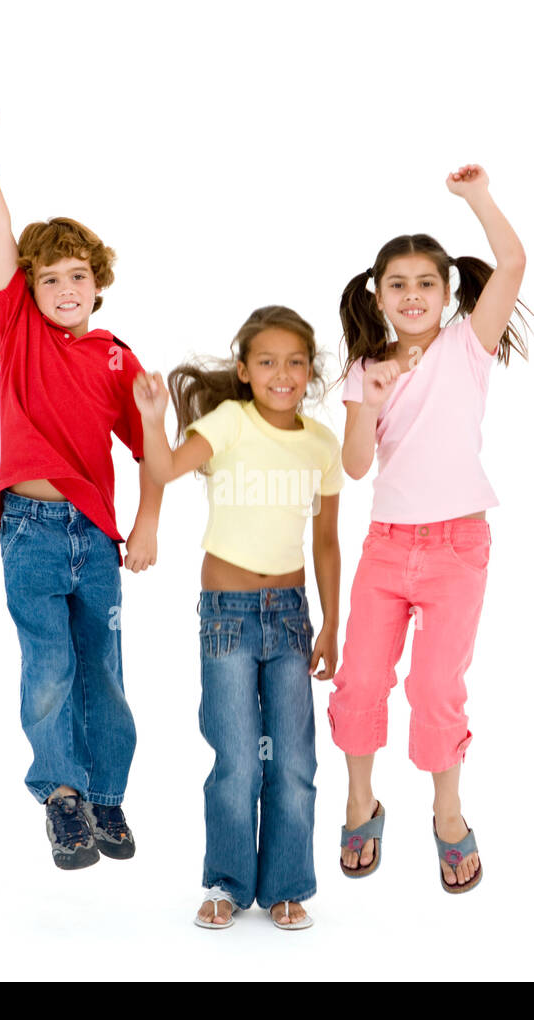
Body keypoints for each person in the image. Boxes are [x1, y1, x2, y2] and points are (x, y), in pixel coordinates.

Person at [0, 100, 162, 869]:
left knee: (103, 669)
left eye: (79, 276)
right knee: (47, 664)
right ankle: (62, 796)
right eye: (51, 278)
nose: (66, 288)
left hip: (98, 538)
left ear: (97, 283)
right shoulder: (19, 331)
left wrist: (146, 525)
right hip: (29, 530)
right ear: (32, 287)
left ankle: (106, 791)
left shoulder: (115, 356)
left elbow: (155, 451)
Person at [328, 165, 528, 893]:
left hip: (456, 549)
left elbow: (512, 263)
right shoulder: (366, 366)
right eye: (397, 284)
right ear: (378, 295)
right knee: (360, 684)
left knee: (437, 687)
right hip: (385, 548)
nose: (412, 295)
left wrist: (477, 198)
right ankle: (360, 799)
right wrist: (367, 401)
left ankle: (448, 813)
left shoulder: (466, 346)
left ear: (446, 294)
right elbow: (354, 467)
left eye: (426, 283)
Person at [133, 307, 341, 930]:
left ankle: (285, 886)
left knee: (293, 762)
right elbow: (166, 468)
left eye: (296, 362)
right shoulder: (229, 422)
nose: (283, 373)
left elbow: (327, 541)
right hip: (226, 617)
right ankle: (225, 881)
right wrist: (152, 418)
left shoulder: (321, 445)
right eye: (268, 362)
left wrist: (332, 622)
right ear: (246, 371)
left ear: (310, 371)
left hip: (290, 618)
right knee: (237, 760)